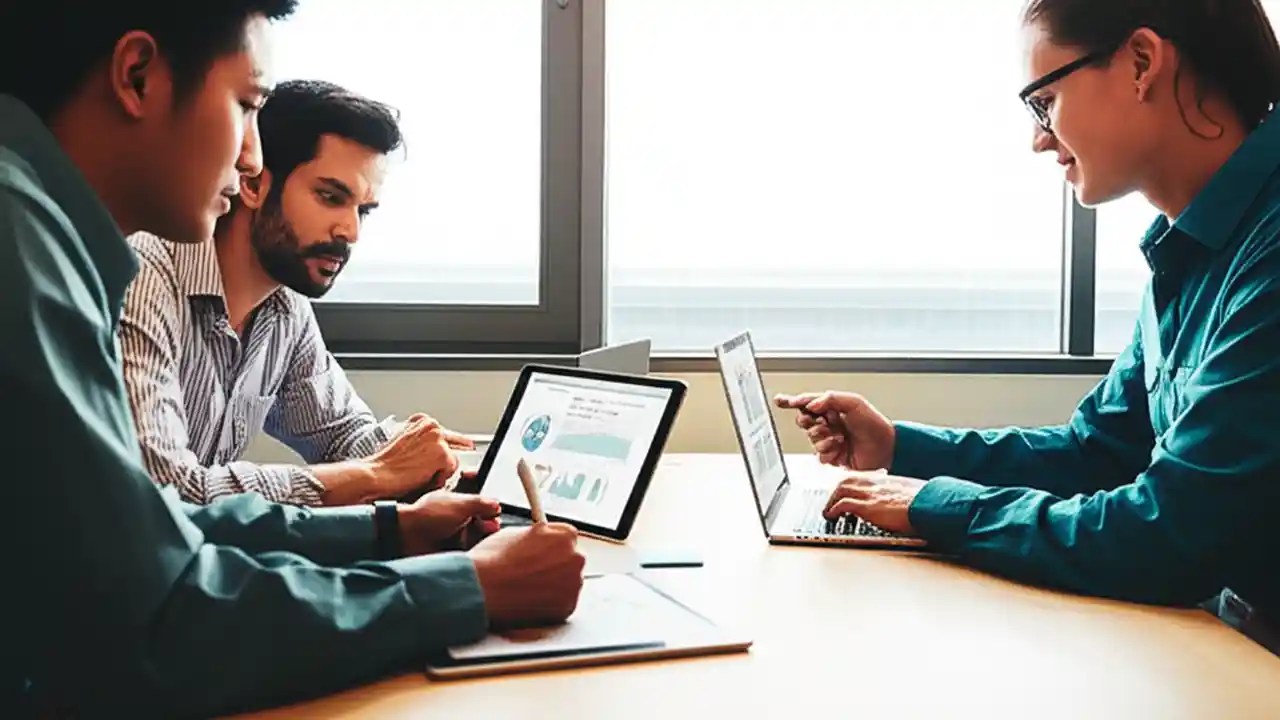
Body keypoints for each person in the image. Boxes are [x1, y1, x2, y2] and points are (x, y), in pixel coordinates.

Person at [0, 3, 584, 717]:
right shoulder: (27, 250)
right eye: (246, 106)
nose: (252, 156)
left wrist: (394, 523)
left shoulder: (46, 232)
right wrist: (468, 587)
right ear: (138, 75)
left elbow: (157, 529)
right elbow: (159, 616)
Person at [776, 0, 1280, 653]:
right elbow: (1098, 452)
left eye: (1045, 100)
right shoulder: (1189, 252)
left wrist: (934, 506)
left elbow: (1169, 537)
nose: (1039, 138)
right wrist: (900, 449)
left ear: (1141, 63)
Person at [121, 79, 468, 507]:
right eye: (330, 197)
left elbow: (343, 437)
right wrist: (378, 473)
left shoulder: (284, 308)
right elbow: (163, 492)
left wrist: (424, 458)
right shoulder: (142, 275)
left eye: (363, 211)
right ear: (252, 185)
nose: (351, 232)